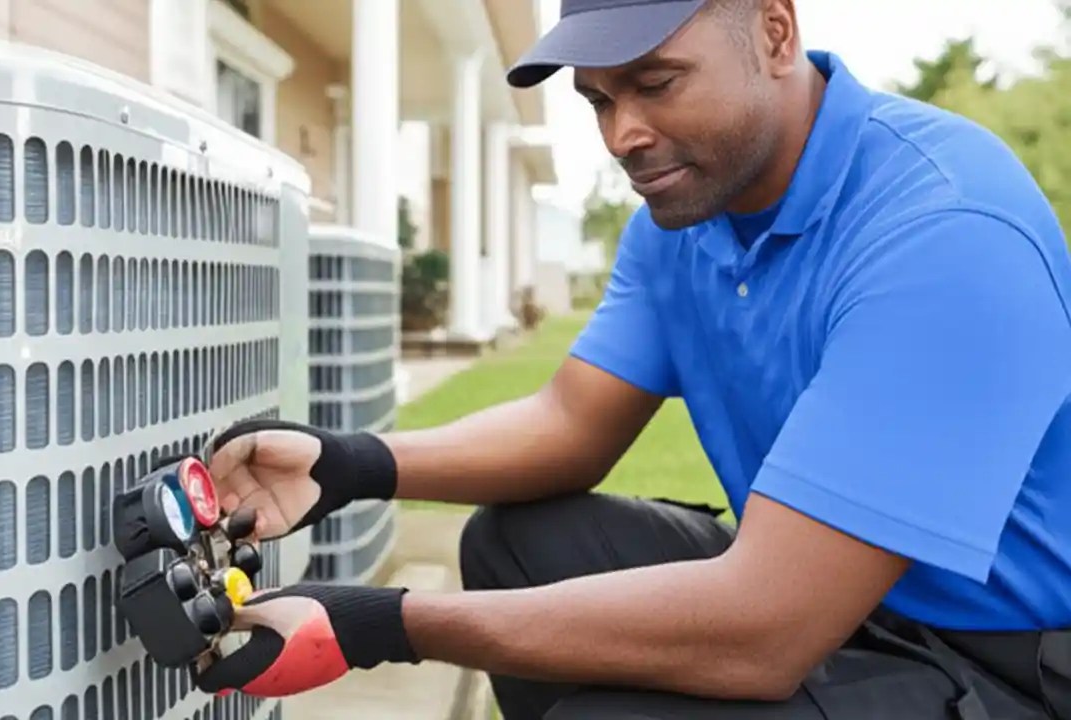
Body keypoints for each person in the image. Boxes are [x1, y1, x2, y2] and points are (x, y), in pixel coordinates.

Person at [185, 0, 1071, 717]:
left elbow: (764, 630)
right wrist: (347, 465)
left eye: (656, 82)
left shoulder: (942, 231)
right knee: (518, 542)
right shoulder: (681, 224)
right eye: (600, 100)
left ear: (774, 30)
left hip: (1004, 663)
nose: (621, 136)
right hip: (829, 595)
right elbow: (570, 422)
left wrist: (382, 625)